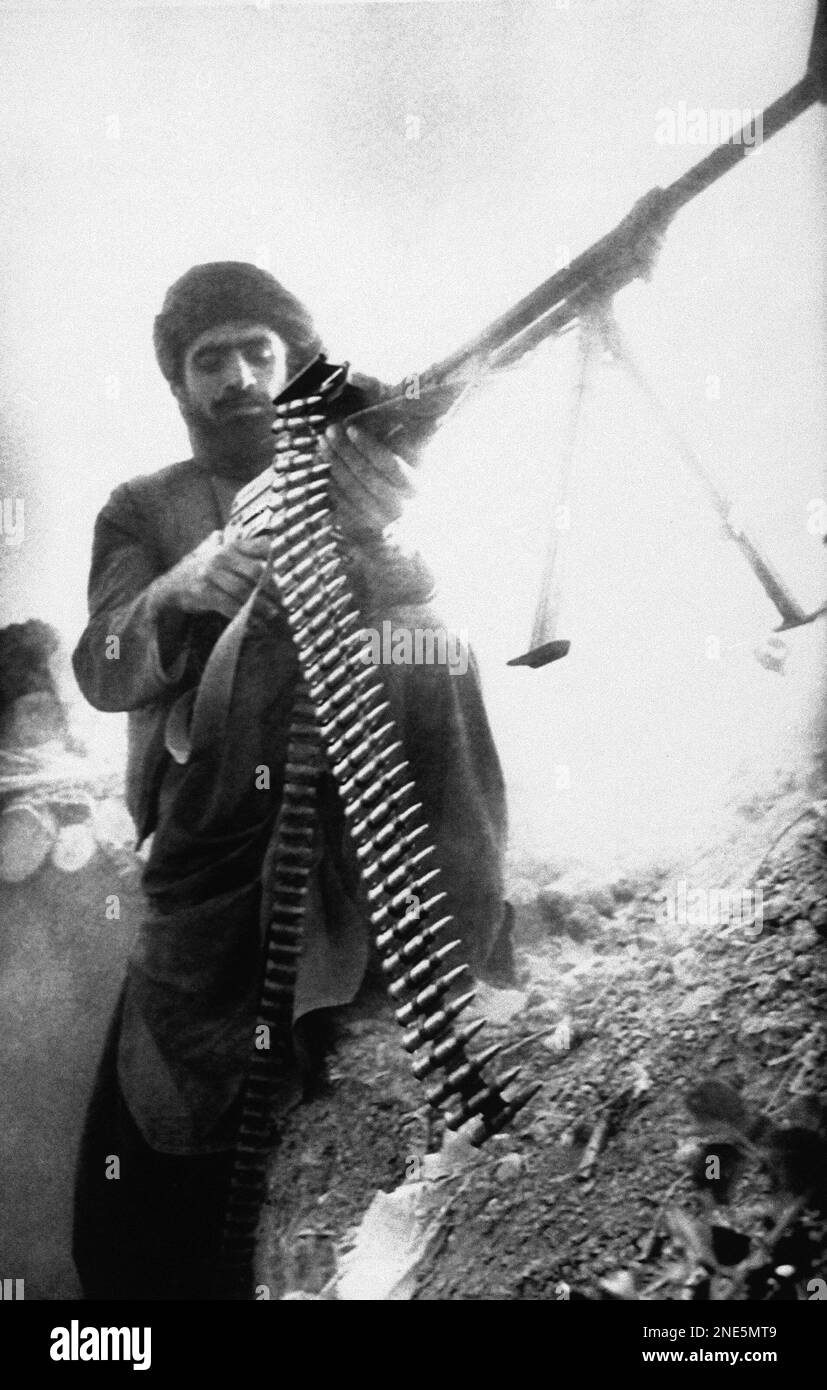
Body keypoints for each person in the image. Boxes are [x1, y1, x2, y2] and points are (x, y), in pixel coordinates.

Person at [71, 261, 512, 1300]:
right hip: (213, 810)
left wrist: (385, 537)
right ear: (178, 386)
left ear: (294, 360)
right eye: (208, 360)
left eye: (257, 353)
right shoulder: (142, 507)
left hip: (344, 799)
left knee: (430, 642)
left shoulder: (349, 459)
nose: (236, 378)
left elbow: (406, 621)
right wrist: (180, 589)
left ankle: (463, 977)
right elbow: (102, 668)